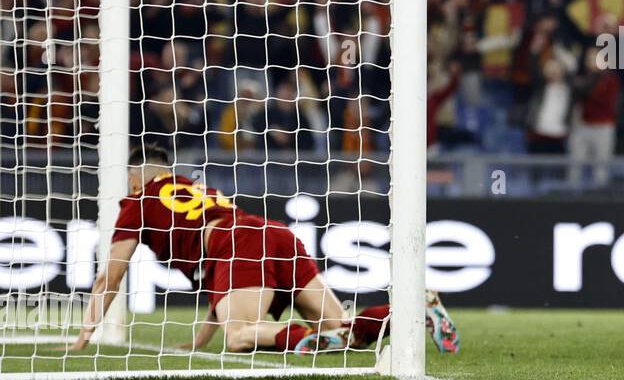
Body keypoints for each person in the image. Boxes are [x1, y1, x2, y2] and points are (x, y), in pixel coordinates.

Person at [69, 142, 460, 355]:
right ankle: (412, 306)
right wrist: (201, 339)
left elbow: (111, 275)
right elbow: (221, 279)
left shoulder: (136, 202)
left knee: (239, 337)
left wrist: (87, 330)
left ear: (135, 176)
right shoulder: (195, 188)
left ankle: (299, 337)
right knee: (342, 332)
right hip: (272, 233)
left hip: (239, 246)